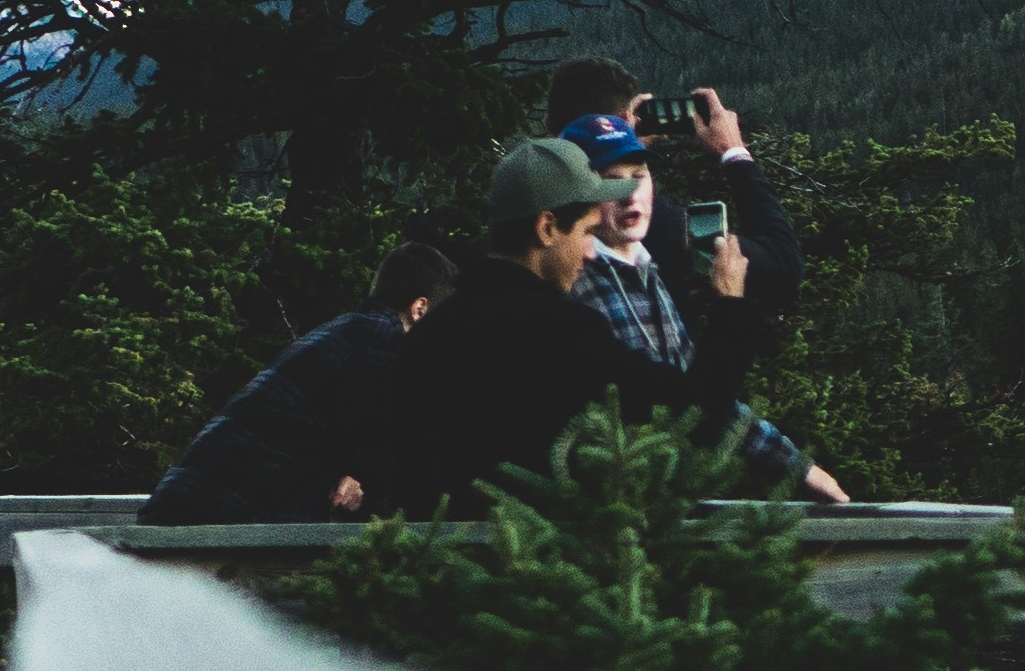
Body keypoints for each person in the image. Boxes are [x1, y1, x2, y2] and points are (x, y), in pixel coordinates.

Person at [377, 137, 845, 516]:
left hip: (434, 572)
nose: (587, 253)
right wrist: (730, 306)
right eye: (584, 232)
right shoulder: (559, 331)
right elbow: (691, 412)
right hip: (534, 583)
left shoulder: (434, 331)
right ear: (546, 228)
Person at [139, 245, 459, 526]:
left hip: (193, 498)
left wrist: (354, 473)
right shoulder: (384, 340)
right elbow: (394, 440)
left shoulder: (351, 331)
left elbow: (345, 429)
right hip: (219, 511)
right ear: (420, 309)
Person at [545, 57, 804, 329]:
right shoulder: (648, 223)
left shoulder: (537, 220)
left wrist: (618, 153)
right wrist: (734, 153)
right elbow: (782, 265)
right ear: (625, 119)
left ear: (550, 127)